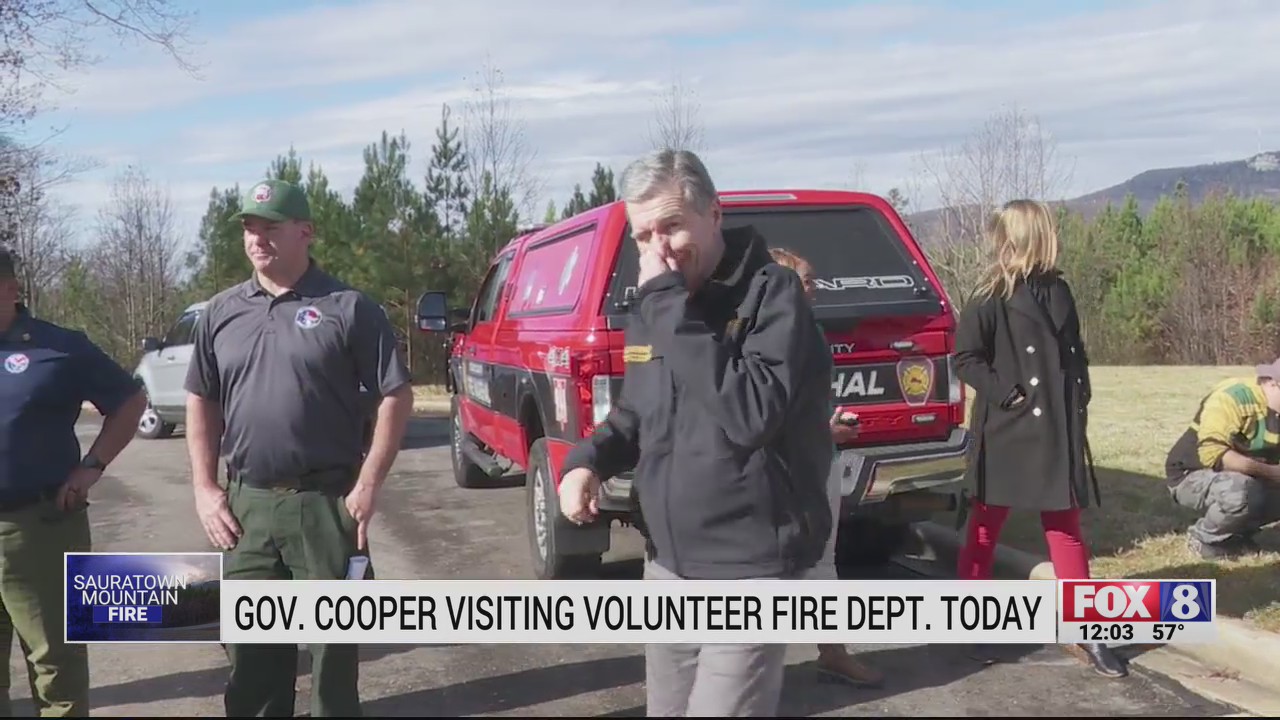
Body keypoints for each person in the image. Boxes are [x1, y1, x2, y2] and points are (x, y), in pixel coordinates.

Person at [557, 149, 835, 717]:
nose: (658, 248)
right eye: (642, 236)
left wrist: (664, 306)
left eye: (672, 226)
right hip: (667, 566)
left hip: (748, 568)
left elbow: (753, 413)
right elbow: (636, 415)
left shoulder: (771, 294)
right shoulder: (657, 307)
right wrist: (586, 461)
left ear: (715, 213)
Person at [184, 179, 414, 717]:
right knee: (251, 658)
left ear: (305, 232)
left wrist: (368, 486)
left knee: (332, 657)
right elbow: (201, 399)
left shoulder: (347, 307)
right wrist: (204, 488)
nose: (257, 238)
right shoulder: (220, 312)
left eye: (270, 227)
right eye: (249, 228)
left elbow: (396, 394)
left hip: (325, 505)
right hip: (248, 511)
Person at [952, 199, 1126, 679]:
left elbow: (1075, 353)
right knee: (985, 529)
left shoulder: (1059, 289)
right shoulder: (990, 293)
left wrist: (1081, 395)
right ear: (1031, 235)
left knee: (1066, 529)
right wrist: (1007, 396)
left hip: (1056, 428)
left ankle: (1087, 629)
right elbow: (965, 358)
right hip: (1008, 428)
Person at [0, 247, 147, 716]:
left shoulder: (58, 347)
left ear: (9, 289)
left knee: (55, 665)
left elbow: (129, 401)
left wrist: (93, 465)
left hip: (39, 527)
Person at [767, 247, 884, 689]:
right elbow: (765, 417)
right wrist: (822, 433)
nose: (817, 288)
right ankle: (748, 666)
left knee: (824, 561)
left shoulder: (810, 332)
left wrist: (828, 426)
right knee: (770, 566)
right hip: (783, 472)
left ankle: (833, 653)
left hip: (822, 462)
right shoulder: (764, 340)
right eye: (807, 280)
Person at [1164, 363, 1280, 559]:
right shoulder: (1233, 397)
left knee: (1249, 488)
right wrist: (1272, 473)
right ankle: (1203, 538)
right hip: (1191, 474)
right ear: (1273, 383)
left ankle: (1236, 533)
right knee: (1241, 490)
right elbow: (1213, 454)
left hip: (1249, 477)